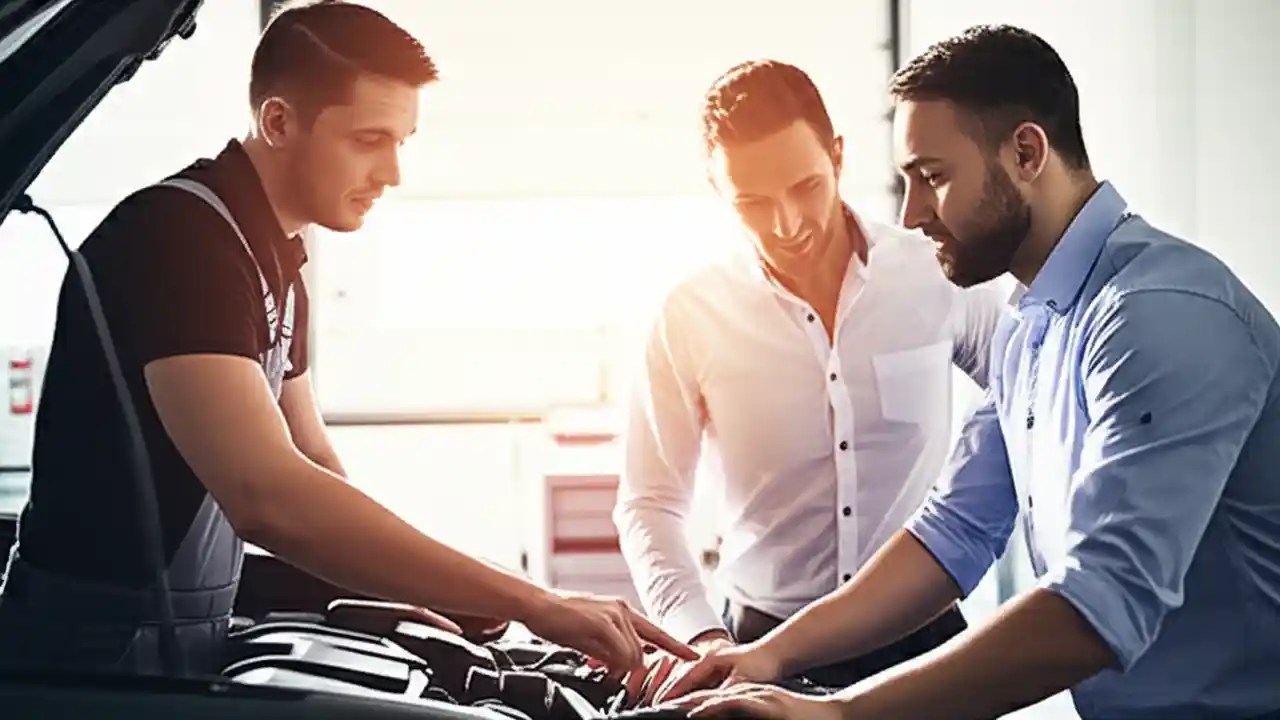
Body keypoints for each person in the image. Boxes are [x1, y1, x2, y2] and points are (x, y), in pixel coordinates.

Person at [0, 0, 692, 683]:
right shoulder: (181, 241)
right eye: (369, 140)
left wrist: (432, 592)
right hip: (85, 662)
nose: (392, 173)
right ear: (277, 121)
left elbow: (312, 458)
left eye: (402, 142)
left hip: (173, 649)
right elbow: (267, 494)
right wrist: (531, 600)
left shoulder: (273, 255)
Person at [654, 24, 1280, 720]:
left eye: (933, 178)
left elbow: (1103, 600)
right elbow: (952, 530)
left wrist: (840, 715)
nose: (913, 215)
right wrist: (770, 656)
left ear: (1025, 152)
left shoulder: (1157, 317)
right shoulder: (1032, 324)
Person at [613, 59, 1004, 698]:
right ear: (718, 193)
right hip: (761, 647)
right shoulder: (690, 313)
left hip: (927, 642)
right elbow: (649, 503)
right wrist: (700, 638)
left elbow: (1030, 402)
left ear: (839, 156)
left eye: (805, 187)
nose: (788, 223)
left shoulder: (934, 270)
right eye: (753, 204)